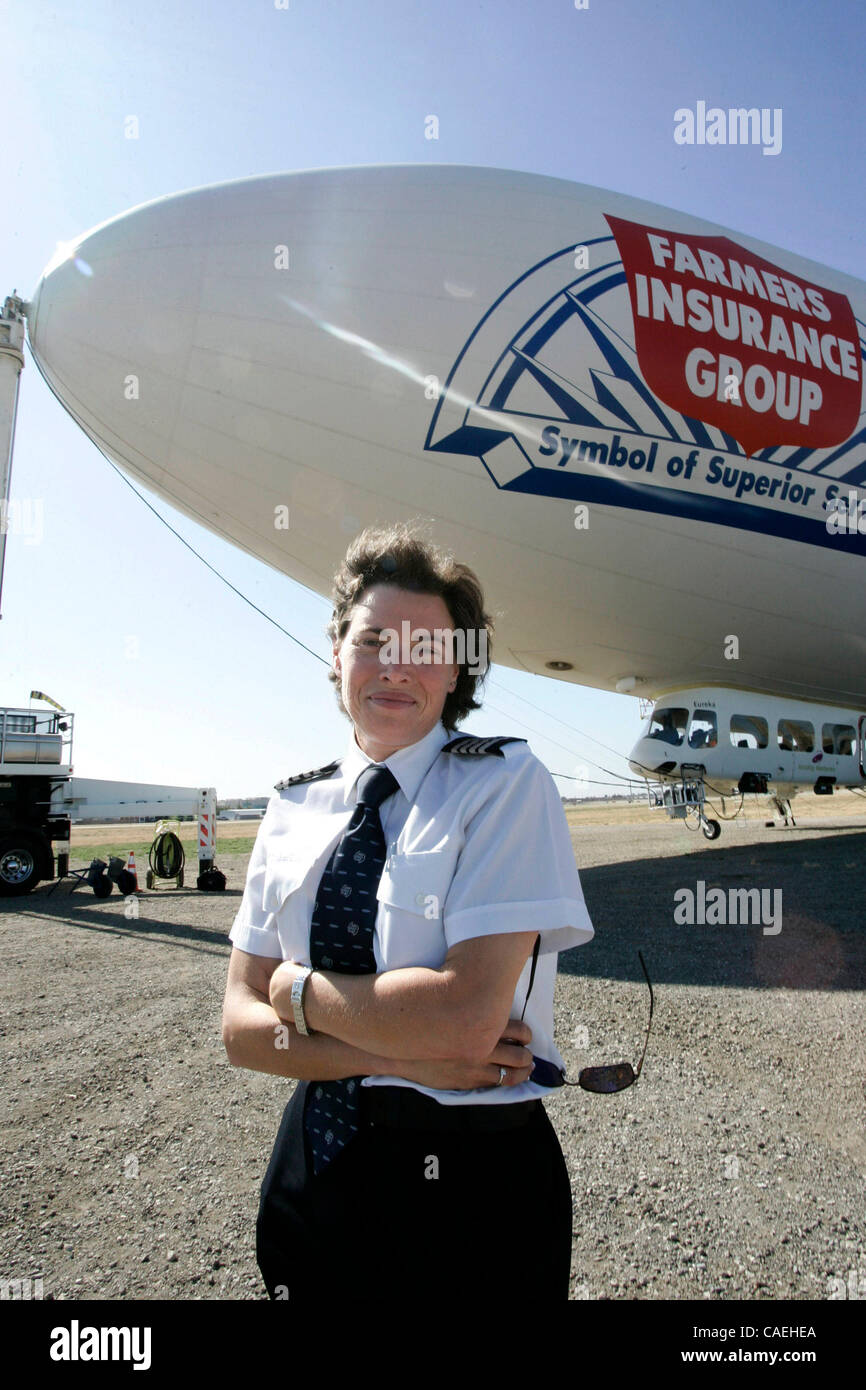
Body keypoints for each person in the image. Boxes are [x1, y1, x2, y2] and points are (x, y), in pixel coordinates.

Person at [221, 522, 594, 1300]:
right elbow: (239, 1031)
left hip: (474, 1185)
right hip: (316, 1163)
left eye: (428, 649)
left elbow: (461, 1025)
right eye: (372, 640)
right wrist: (401, 1057)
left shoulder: (504, 786)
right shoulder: (292, 805)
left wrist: (295, 993)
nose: (396, 666)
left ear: (459, 670)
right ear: (336, 654)